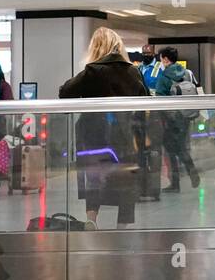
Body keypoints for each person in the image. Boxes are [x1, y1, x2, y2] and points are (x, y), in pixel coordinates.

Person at [60, 28, 149, 228]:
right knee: (126, 182)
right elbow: (145, 103)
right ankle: (122, 228)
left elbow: (65, 92)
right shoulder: (133, 72)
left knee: (94, 178)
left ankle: (92, 221)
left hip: (92, 137)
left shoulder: (92, 71)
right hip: (124, 137)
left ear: (96, 48)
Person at [154, 46, 200, 192]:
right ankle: (190, 174)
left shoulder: (164, 77)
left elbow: (160, 100)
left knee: (171, 149)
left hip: (170, 119)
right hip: (186, 116)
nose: (160, 61)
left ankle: (177, 182)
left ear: (166, 59)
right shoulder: (187, 73)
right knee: (180, 146)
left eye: (161, 59)